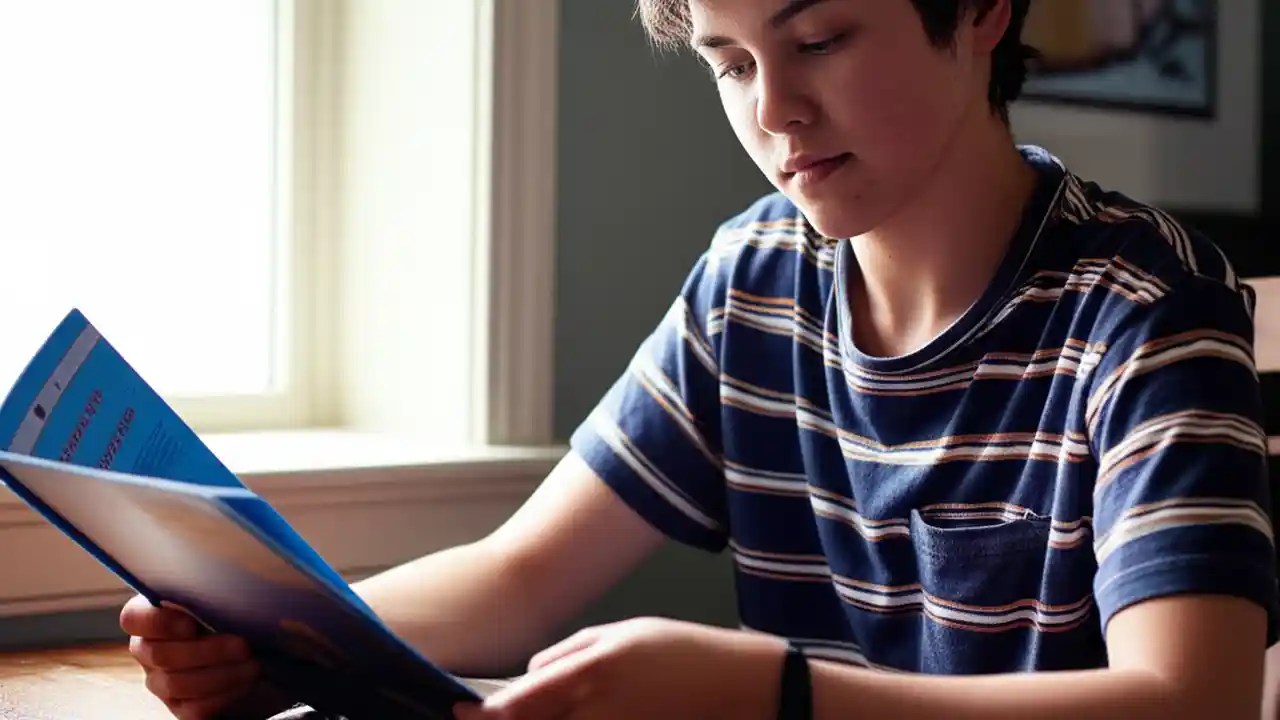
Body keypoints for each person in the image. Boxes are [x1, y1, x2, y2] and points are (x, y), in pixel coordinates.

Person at [121, 0, 1278, 718]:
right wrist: (281, 645)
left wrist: (771, 694)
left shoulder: (1143, 307)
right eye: (729, 62)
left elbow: (1193, 701)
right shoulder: (754, 281)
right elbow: (519, 575)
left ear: (979, 11)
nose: (774, 111)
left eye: (816, 38)